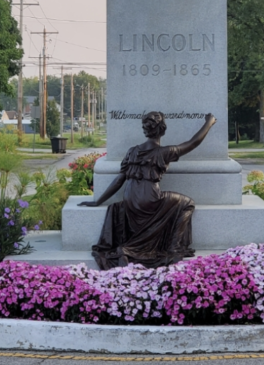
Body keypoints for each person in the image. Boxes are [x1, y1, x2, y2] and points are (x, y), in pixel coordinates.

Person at [79, 110, 216, 269]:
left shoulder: (132, 151)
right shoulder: (165, 152)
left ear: (145, 130)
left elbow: (118, 181)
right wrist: (209, 123)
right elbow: (192, 143)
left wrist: (98, 201)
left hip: (130, 200)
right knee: (188, 204)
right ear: (162, 129)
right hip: (151, 199)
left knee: (165, 205)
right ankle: (173, 247)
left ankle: (127, 251)